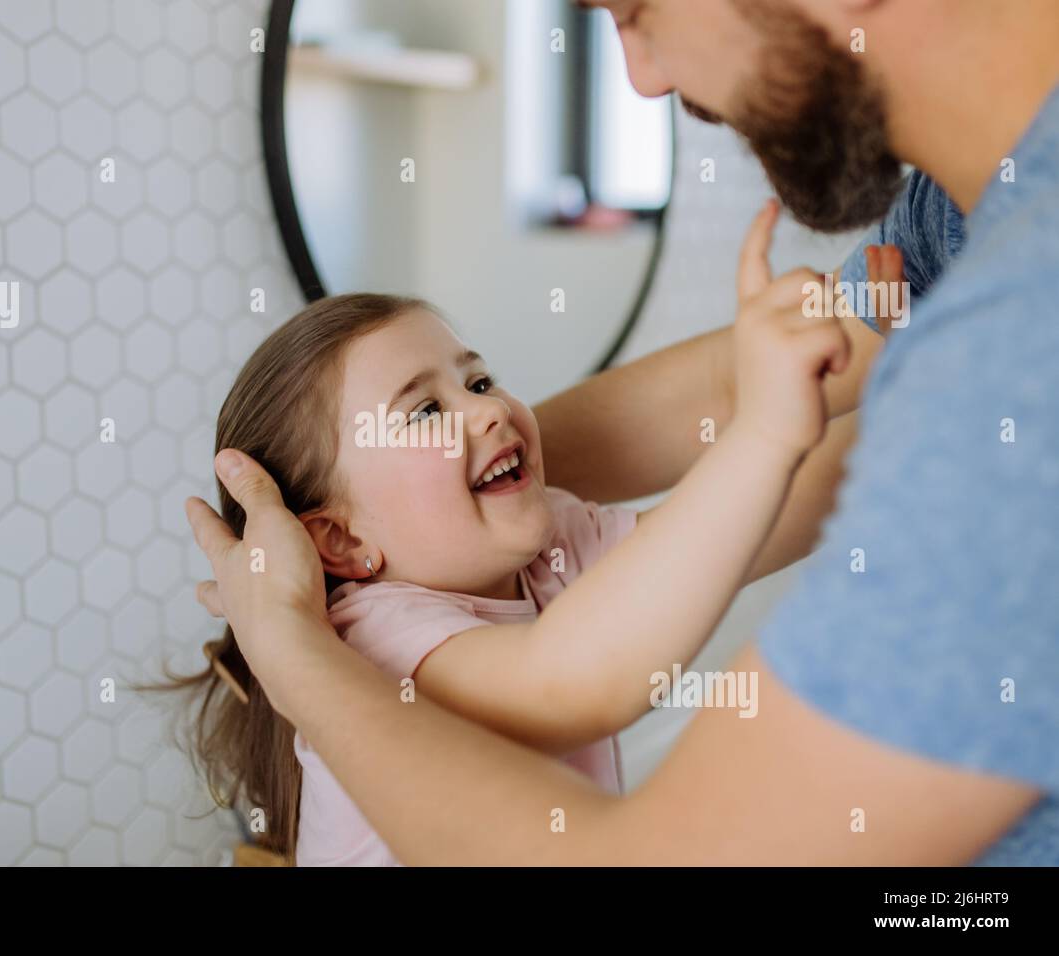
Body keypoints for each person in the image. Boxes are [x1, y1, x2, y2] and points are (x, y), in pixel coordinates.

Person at [188, 0, 1059, 864]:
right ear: (338, 540)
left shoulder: (1017, 320)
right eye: (423, 410)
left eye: (480, 380)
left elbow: (744, 524)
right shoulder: (381, 628)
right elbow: (574, 680)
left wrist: (292, 651)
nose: (642, 79)